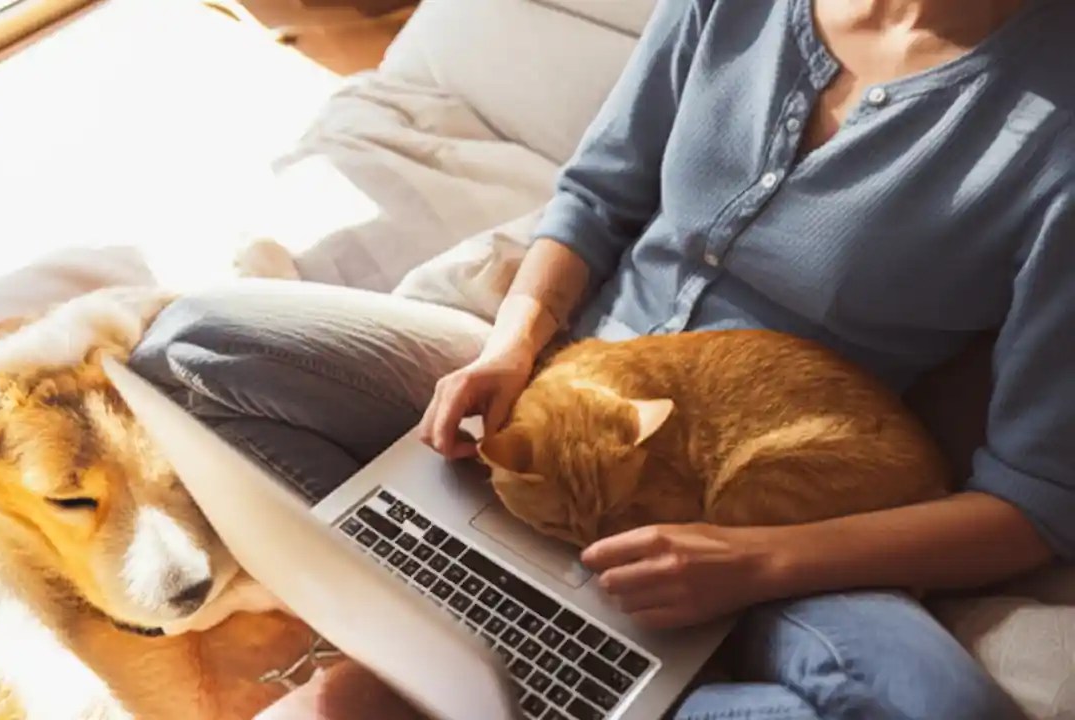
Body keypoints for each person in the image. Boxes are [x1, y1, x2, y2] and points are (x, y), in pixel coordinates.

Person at [129, 0, 1075, 716]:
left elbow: (1034, 507)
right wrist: (512, 346)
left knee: (937, 705)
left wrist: (749, 564)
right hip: (560, 388)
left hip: (770, 508)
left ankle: (522, 669)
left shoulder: (1058, 136)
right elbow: (596, 194)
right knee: (195, 345)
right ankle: (463, 624)